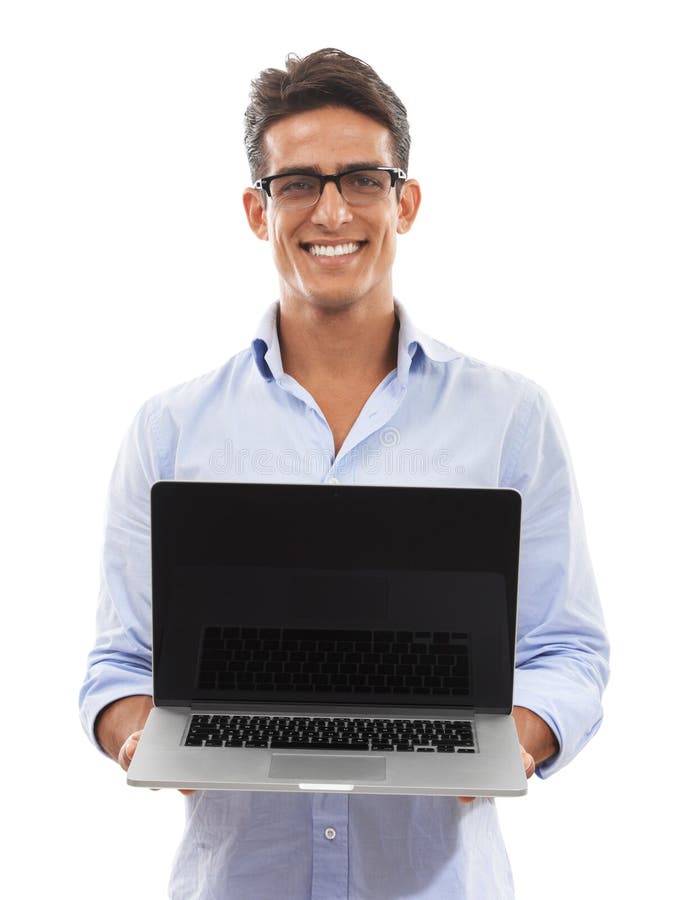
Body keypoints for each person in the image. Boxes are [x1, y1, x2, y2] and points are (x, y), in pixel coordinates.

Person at [80, 48, 609, 899]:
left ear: (407, 201)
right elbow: (117, 664)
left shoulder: (512, 415)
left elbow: (568, 649)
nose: (332, 210)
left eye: (363, 178)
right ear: (258, 211)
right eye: (299, 183)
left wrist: (513, 738)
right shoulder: (170, 429)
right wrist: (143, 734)